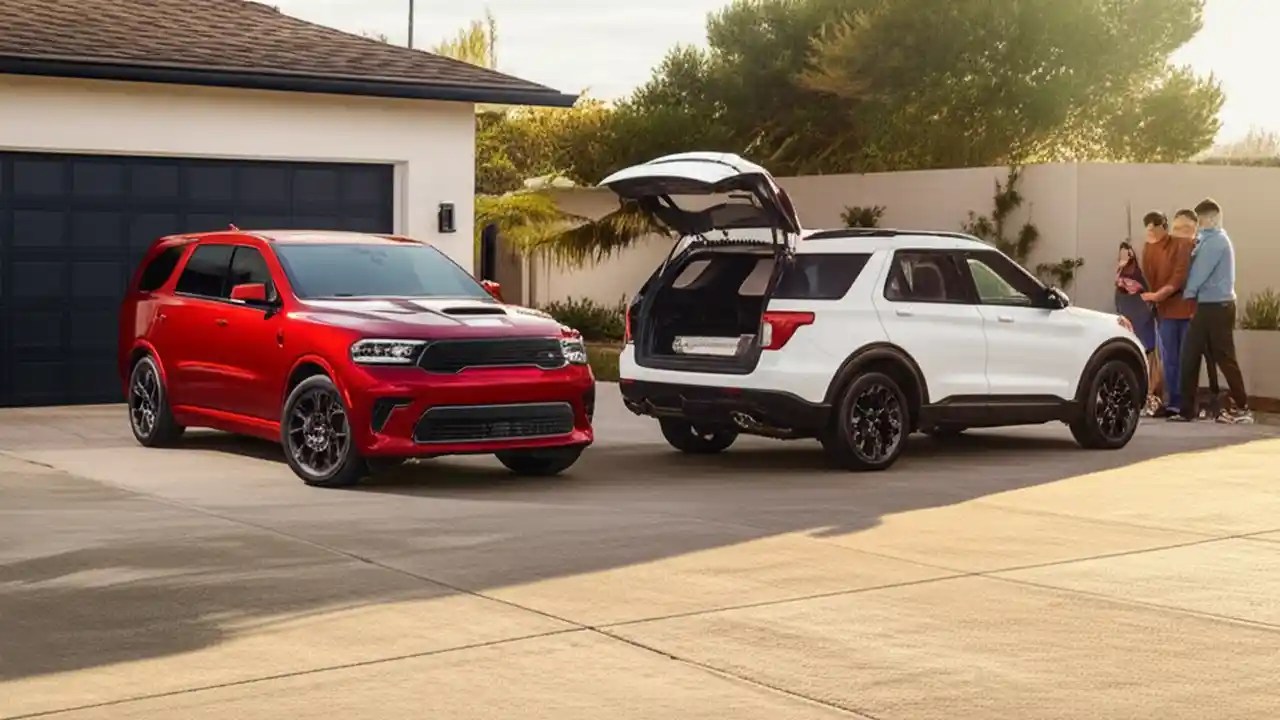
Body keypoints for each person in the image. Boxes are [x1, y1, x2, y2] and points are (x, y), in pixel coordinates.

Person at [1172, 199, 1252, 424]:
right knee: (1189, 354)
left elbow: (1199, 273)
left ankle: (1242, 407)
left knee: (1224, 356)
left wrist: (1186, 293)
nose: (1200, 224)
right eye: (1199, 220)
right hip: (1206, 306)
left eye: (1204, 219)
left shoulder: (1217, 242)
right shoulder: (1204, 240)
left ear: (1214, 219)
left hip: (1218, 306)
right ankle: (1187, 410)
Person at [1139, 210, 1194, 417]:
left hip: (1186, 309)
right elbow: (1149, 277)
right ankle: (1172, 402)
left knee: (1184, 358)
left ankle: (1185, 403)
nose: (1152, 232)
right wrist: (1153, 299)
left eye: (1155, 227)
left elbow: (1178, 277)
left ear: (1164, 226)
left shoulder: (1180, 244)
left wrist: (1157, 296)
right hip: (1165, 312)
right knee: (1169, 359)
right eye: (1149, 229)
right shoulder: (1148, 249)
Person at [1114, 241, 1162, 414]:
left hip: (1142, 318)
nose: (1123, 258)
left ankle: (1149, 393)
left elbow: (1146, 296)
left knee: (1148, 355)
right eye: (1121, 254)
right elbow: (1119, 297)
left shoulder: (1138, 274)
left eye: (1127, 254)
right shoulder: (1119, 273)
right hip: (1127, 318)